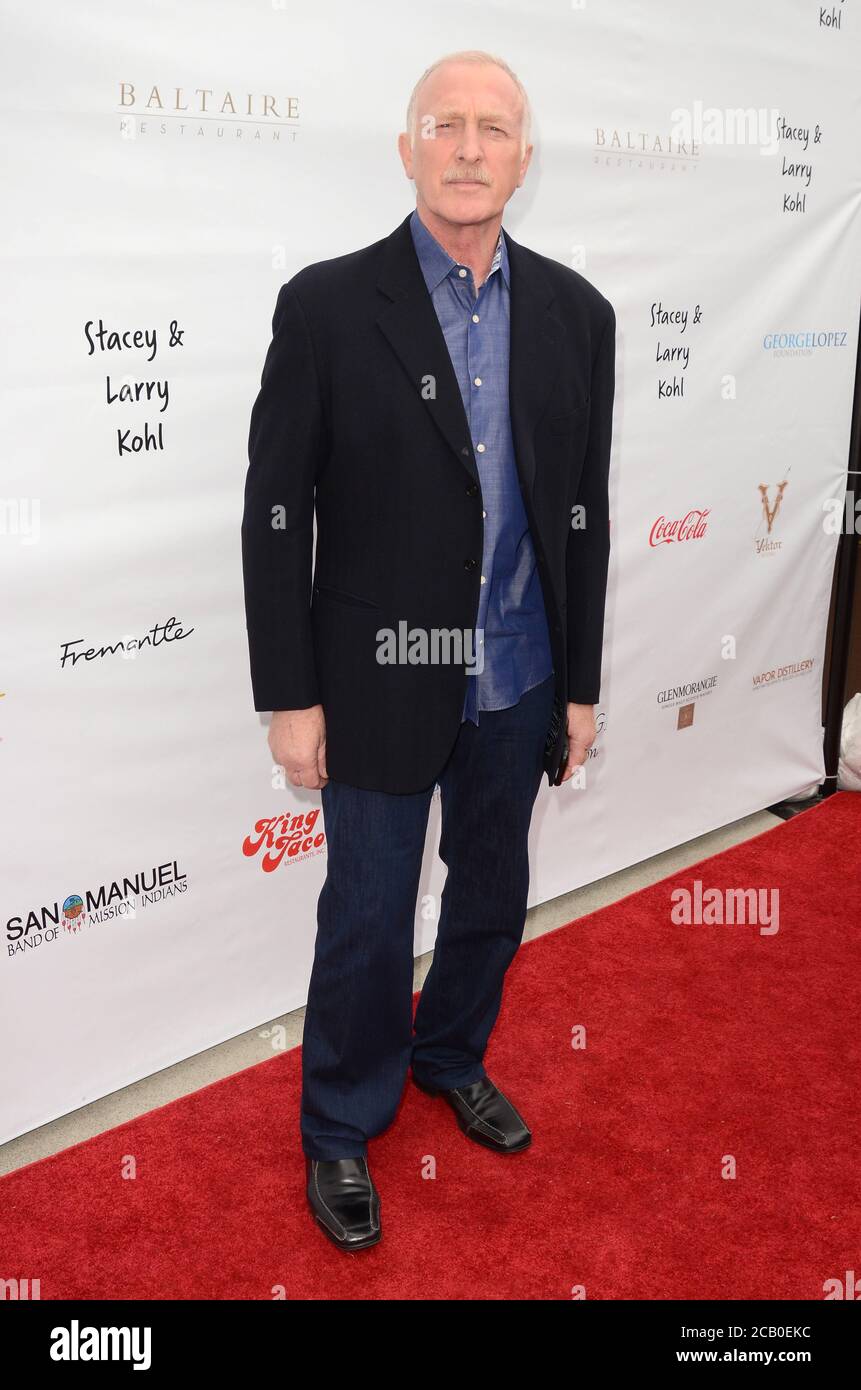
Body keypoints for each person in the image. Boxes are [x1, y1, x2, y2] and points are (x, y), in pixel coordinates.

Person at [241, 49, 616, 1252]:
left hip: (519, 674)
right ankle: (342, 1123)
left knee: (493, 894)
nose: (467, 148)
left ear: (523, 157)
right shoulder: (329, 303)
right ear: (406, 149)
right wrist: (290, 696)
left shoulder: (579, 314)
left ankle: (450, 1054)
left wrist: (584, 681)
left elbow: (584, 512)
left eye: (492, 129)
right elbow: (275, 510)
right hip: (378, 677)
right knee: (365, 911)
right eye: (443, 126)